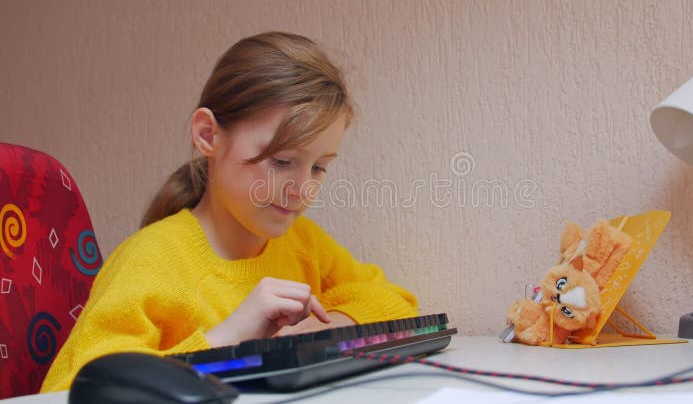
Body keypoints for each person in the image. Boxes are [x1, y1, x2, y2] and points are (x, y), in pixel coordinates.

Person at [41, 32, 418, 392]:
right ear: (208, 134)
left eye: (319, 167)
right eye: (282, 160)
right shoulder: (149, 261)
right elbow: (68, 390)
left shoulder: (303, 244)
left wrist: (328, 328)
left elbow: (395, 303)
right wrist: (228, 338)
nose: (303, 188)